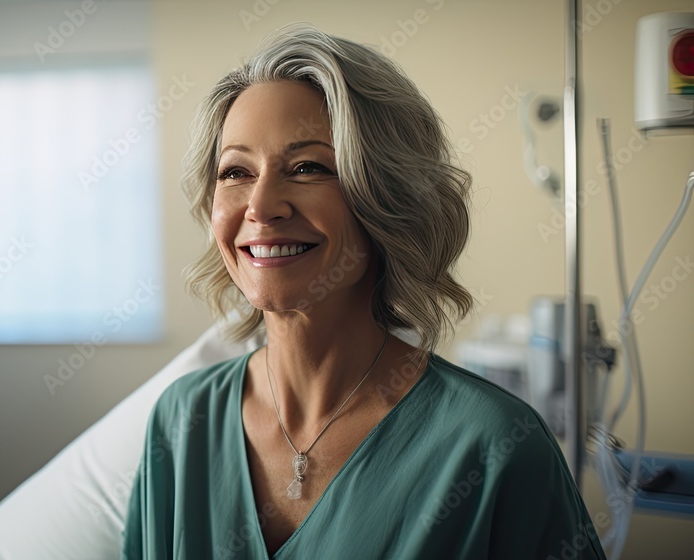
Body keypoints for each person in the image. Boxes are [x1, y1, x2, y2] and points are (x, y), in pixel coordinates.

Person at [121, 24, 606, 560]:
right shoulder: (182, 422)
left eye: (307, 167)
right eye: (236, 171)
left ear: (384, 196)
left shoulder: (495, 446)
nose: (260, 206)